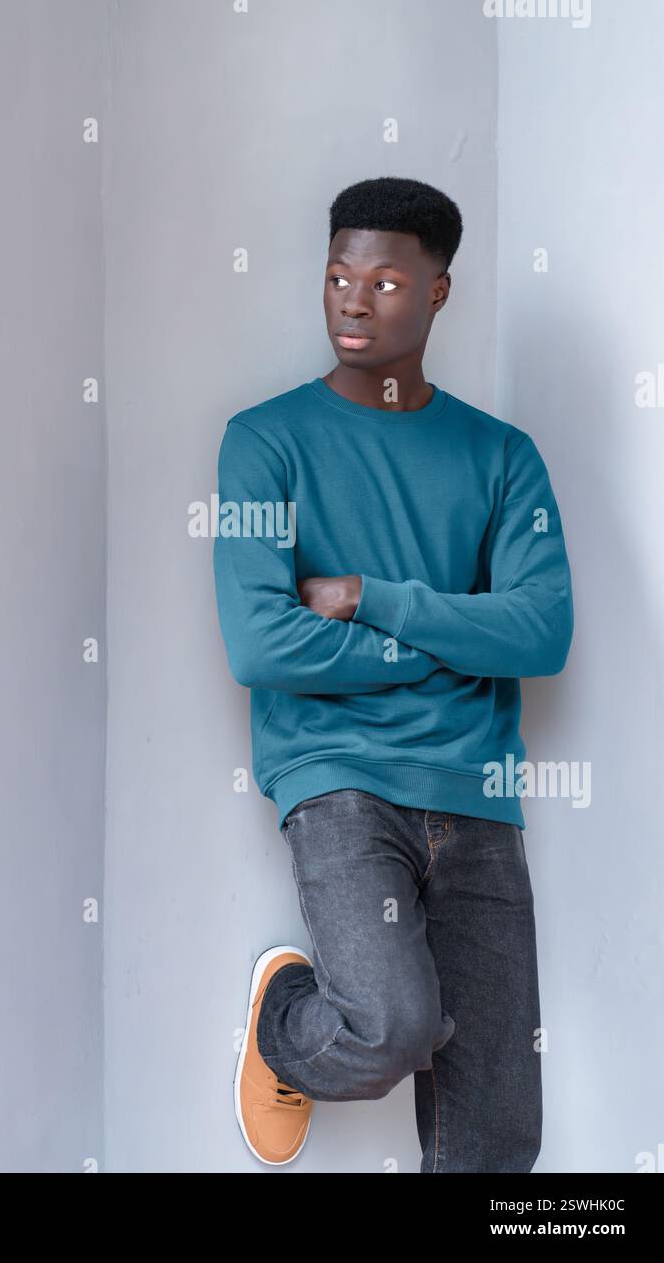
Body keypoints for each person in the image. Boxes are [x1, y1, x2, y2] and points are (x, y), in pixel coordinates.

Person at [211, 176, 574, 1172]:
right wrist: (448, 646)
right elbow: (260, 645)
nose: (353, 301)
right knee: (387, 1025)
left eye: (383, 282)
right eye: (338, 276)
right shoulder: (263, 443)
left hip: (477, 794)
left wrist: (375, 598)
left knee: (497, 1131)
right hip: (339, 780)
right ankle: (286, 1020)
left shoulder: (501, 456)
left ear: (437, 291)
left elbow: (541, 631)